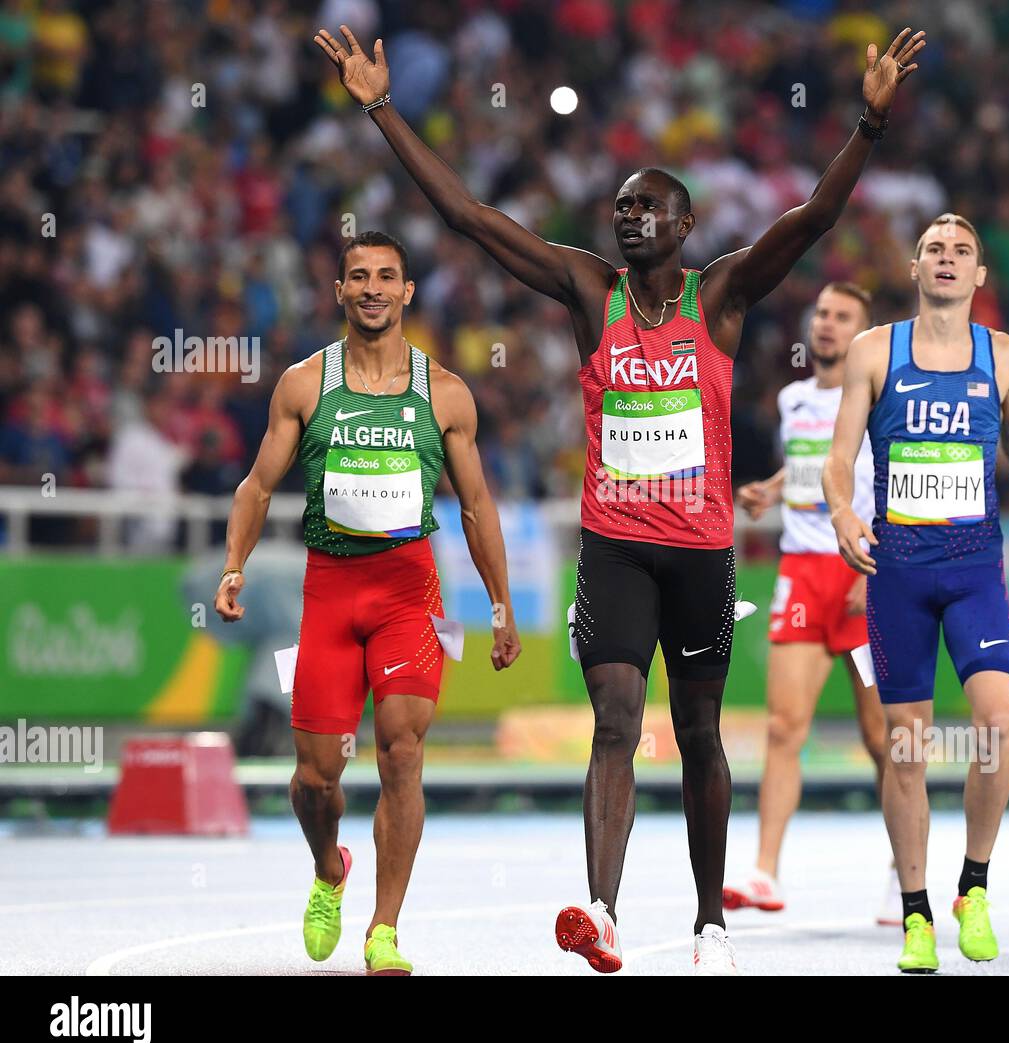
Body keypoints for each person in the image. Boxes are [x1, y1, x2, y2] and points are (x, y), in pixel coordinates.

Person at [313, 22, 924, 974]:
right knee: (613, 721)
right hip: (614, 546)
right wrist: (382, 110)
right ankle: (601, 911)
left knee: (698, 733)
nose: (628, 216)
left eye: (649, 208)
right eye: (622, 206)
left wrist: (870, 127)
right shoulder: (585, 285)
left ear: (683, 228)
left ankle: (710, 924)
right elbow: (471, 217)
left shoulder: (718, 298)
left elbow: (810, 220)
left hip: (700, 550)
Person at [214, 231, 521, 975]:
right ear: (341, 292)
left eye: (388, 276)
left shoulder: (444, 392)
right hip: (329, 594)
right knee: (315, 778)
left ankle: (385, 929)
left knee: (402, 754)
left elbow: (476, 506)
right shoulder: (304, 385)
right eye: (360, 277)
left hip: (410, 596)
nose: (374, 288)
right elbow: (257, 486)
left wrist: (501, 605)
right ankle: (329, 869)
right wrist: (234, 565)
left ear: (408, 292)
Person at [823, 213, 1009, 974]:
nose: (950, 259)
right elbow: (838, 461)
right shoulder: (873, 352)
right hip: (895, 577)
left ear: (981, 275)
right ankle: (917, 913)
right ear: (916, 266)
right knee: (907, 751)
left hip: (972, 575)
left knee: (996, 728)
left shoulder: (1008, 357)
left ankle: (975, 887)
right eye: (936, 248)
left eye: (964, 250)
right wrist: (839, 511)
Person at [723, 282, 898, 923]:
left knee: (882, 738)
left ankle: (900, 875)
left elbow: (888, 476)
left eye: (842, 317)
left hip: (863, 572)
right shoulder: (793, 398)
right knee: (781, 728)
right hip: (801, 573)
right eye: (822, 313)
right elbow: (818, 464)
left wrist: (878, 563)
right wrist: (771, 491)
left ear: (865, 333)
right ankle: (765, 873)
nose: (826, 325)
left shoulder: (879, 400)